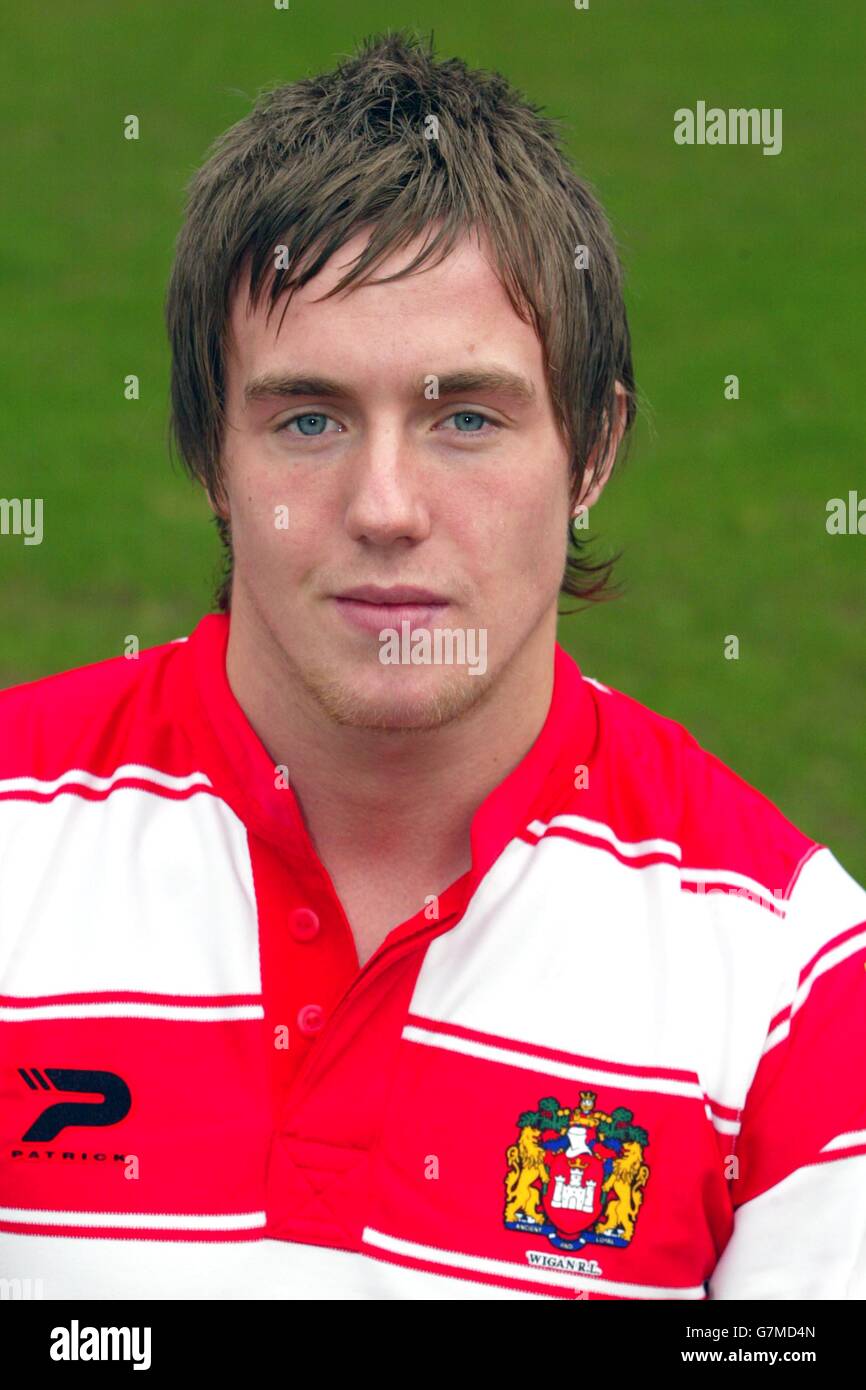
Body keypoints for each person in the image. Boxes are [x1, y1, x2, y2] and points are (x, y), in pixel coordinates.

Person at [1, 30, 863, 1302]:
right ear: (208, 455)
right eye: (308, 418)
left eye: (466, 416)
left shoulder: (793, 985)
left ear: (590, 451)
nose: (386, 505)